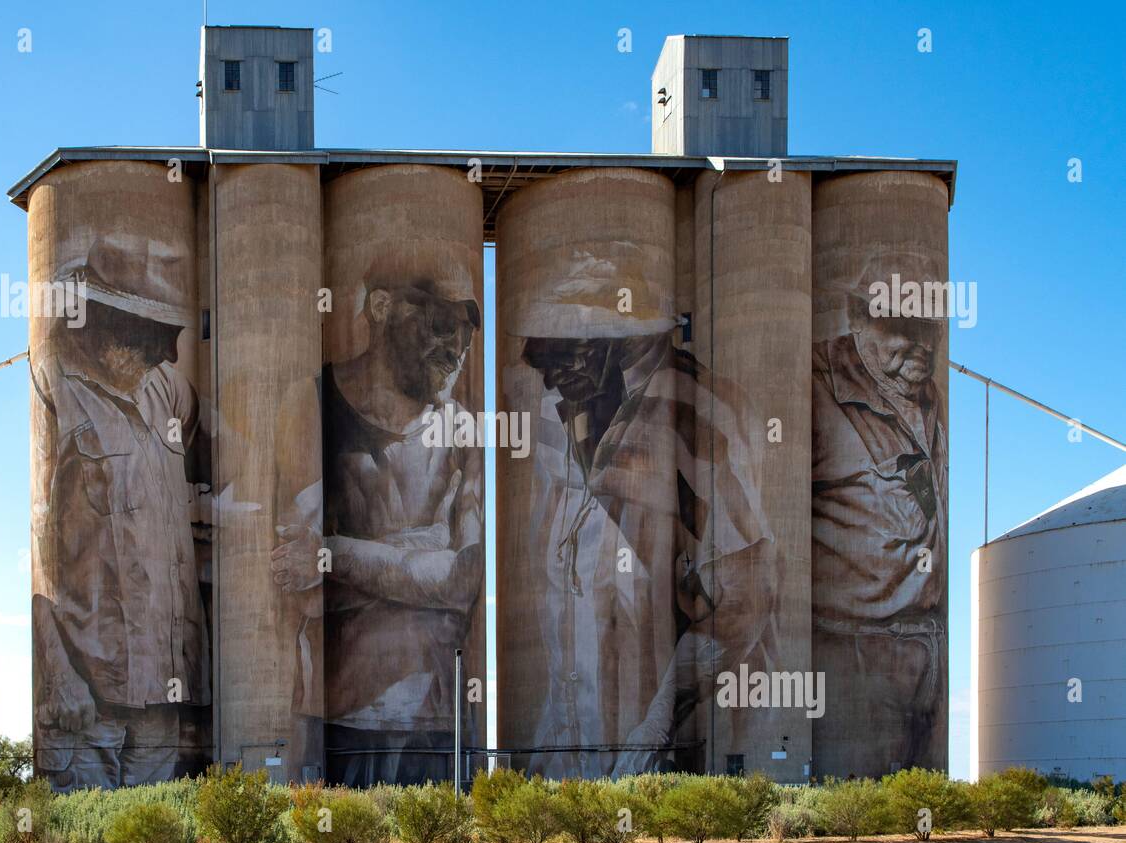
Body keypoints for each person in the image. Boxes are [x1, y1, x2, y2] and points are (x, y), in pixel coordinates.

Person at [507, 248, 777, 779]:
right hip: (574, 759)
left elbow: (746, 596)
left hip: (665, 759)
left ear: (620, 343)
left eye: (565, 355)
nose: (549, 378)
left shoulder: (703, 416)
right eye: (543, 358)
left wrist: (656, 727)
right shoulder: (558, 420)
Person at [270, 254, 484, 787]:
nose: (453, 352)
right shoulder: (312, 403)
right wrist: (421, 553)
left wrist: (337, 554)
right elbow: (297, 587)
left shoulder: (460, 429)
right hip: (339, 716)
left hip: (438, 720)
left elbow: (464, 580)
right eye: (438, 327)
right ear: (382, 307)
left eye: (463, 339)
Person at [32, 235, 210, 791]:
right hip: (87, 704)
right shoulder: (53, 385)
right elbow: (37, 560)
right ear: (101, 321)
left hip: (165, 699)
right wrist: (57, 674)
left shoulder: (169, 391)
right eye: (153, 336)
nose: (166, 354)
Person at [811, 255, 948, 775]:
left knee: (919, 815)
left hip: (929, 649)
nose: (923, 342)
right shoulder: (817, 389)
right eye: (901, 323)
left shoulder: (929, 396)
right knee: (861, 805)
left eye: (929, 324)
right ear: (855, 315)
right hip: (857, 659)